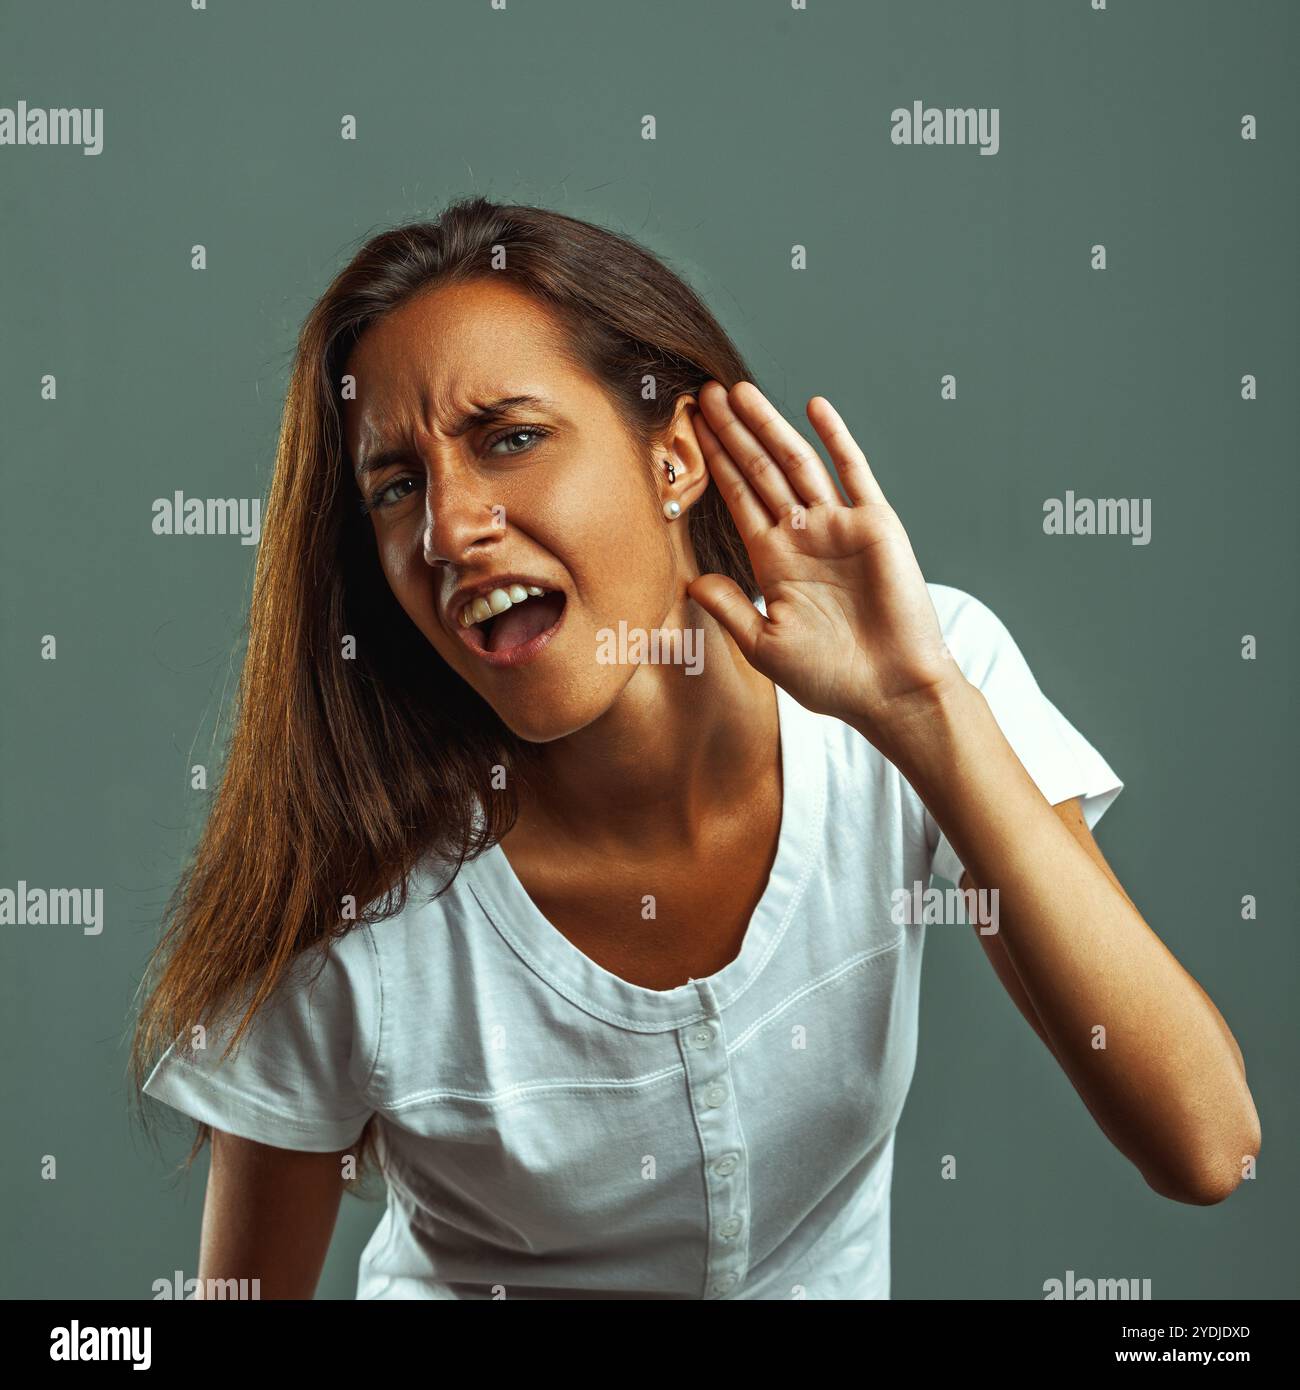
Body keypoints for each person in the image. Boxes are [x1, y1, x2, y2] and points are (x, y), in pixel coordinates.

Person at [132, 196, 1259, 1300]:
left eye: (510, 438)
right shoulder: (354, 903)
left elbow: (1204, 1146)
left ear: (673, 460)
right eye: (396, 485)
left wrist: (922, 710)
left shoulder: (922, 680)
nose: (449, 528)